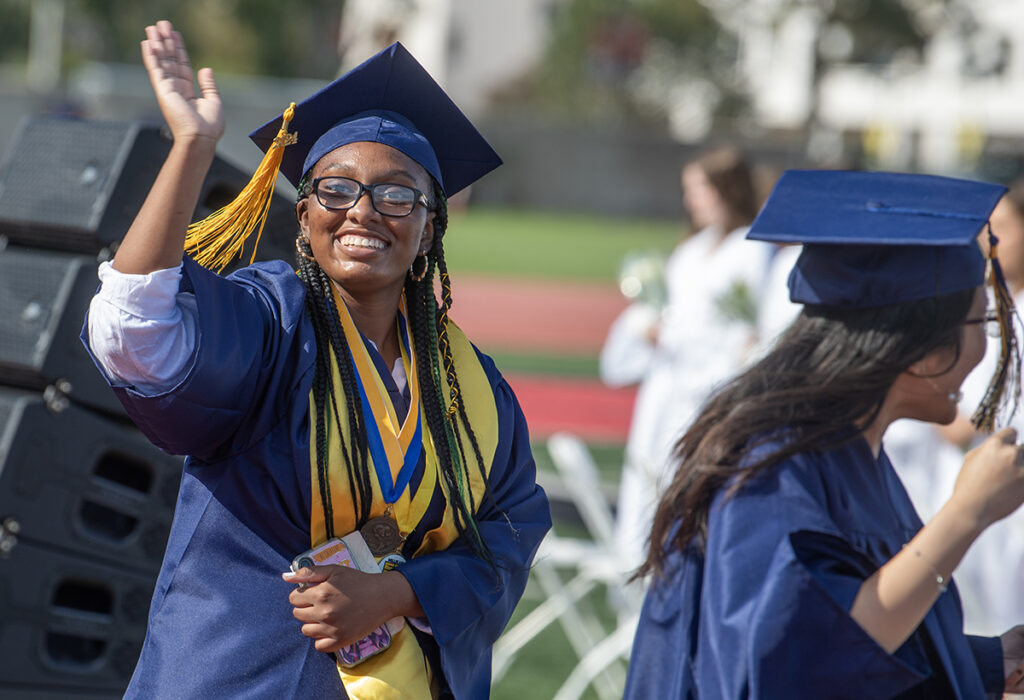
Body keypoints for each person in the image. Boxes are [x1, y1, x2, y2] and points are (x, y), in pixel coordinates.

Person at [82, 21, 550, 699]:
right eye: (336, 189)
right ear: (304, 219)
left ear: (427, 232)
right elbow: (134, 330)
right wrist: (192, 147)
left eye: (397, 195)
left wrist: (396, 592)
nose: (364, 211)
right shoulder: (270, 325)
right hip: (237, 678)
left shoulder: (471, 387)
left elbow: (510, 532)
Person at [624, 169, 1024, 699]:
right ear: (921, 348)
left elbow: (864, 637)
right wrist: (966, 515)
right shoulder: (772, 468)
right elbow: (803, 662)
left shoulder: (855, 453)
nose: (983, 352)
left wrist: (991, 662)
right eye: (983, 326)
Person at [600, 146, 774, 568]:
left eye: (699, 189)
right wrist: (653, 329)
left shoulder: (751, 251)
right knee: (650, 487)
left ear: (726, 191)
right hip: (666, 392)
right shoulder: (691, 250)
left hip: (711, 394)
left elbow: (751, 332)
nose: (691, 200)